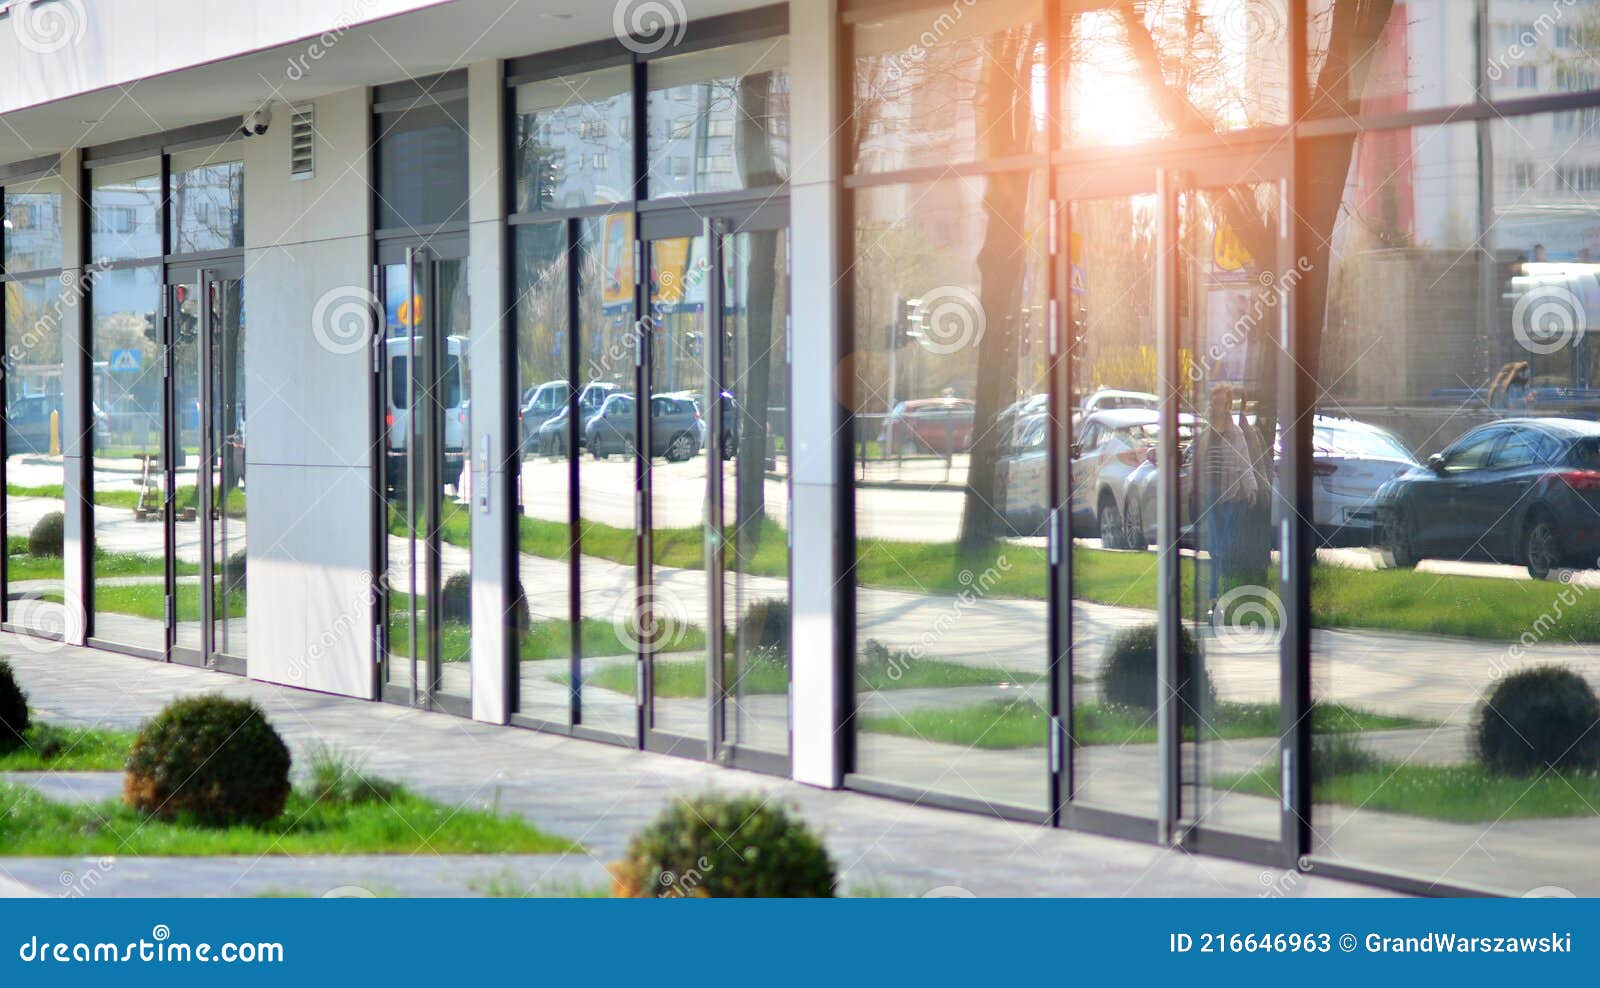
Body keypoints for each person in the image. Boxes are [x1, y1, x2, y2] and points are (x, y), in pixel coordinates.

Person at [1195, 383, 1258, 611]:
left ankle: (1218, 594)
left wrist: (1251, 488)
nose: (1217, 406)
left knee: (1222, 545)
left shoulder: (1236, 433)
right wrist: (1195, 489)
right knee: (1215, 547)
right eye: (1214, 402)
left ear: (1228, 405)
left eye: (1221, 402)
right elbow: (1198, 464)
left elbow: (1244, 462)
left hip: (1229, 494)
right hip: (1210, 495)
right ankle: (1215, 595)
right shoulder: (1206, 433)